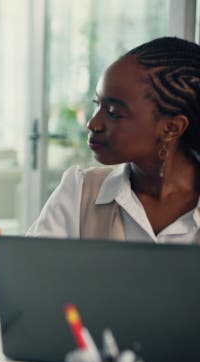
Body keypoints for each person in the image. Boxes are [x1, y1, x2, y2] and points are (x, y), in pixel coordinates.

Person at [28, 37, 200, 242]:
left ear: (171, 128)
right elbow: (33, 270)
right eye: (97, 104)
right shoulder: (80, 191)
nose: (93, 124)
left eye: (113, 112)